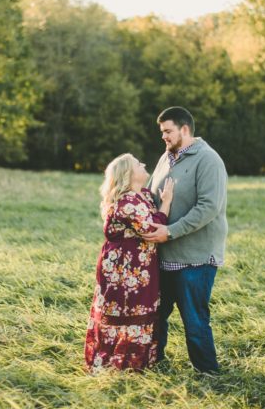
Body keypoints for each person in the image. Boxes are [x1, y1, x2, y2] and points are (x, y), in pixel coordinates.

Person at [141, 106, 228, 374]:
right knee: (155, 316)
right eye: (162, 132)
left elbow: (208, 207)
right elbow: (151, 194)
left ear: (185, 129)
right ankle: (154, 364)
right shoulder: (166, 157)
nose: (164, 137)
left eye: (168, 131)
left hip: (196, 258)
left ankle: (208, 374)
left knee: (194, 321)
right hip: (165, 256)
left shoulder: (208, 159)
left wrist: (170, 231)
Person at [84, 153, 174, 372]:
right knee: (125, 312)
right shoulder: (127, 201)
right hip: (124, 271)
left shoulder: (142, 195)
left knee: (138, 311)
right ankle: (116, 364)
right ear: (128, 174)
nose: (143, 164)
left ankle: (135, 362)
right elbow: (152, 230)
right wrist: (167, 202)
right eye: (138, 164)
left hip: (138, 267)